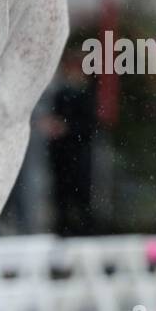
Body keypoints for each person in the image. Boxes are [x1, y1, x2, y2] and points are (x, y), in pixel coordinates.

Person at [41, 47, 97, 238]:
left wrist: (68, 128)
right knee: (61, 194)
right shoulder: (62, 93)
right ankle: (63, 228)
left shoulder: (86, 93)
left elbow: (89, 125)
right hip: (62, 152)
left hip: (78, 152)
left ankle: (82, 229)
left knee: (80, 194)